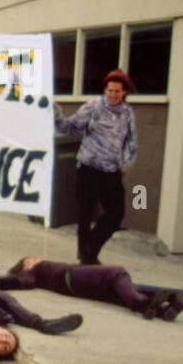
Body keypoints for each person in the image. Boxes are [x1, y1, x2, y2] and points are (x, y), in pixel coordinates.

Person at [54, 69, 137, 264]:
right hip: (89, 168)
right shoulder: (94, 107)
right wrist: (57, 115)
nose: (113, 95)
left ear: (124, 92)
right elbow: (70, 127)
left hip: (112, 171)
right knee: (86, 215)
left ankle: (90, 248)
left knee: (116, 212)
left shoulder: (128, 113)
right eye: (110, 90)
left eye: (117, 91)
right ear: (105, 90)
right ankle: (87, 258)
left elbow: (130, 140)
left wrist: (128, 160)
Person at [4, 256, 183, 321]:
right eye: (30, 258)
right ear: (25, 265)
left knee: (122, 290)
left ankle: (162, 310)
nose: (35, 257)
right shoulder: (33, 271)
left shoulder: (38, 272)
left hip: (76, 284)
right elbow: (21, 281)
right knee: (117, 272)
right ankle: (140, 303)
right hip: (72, 276)